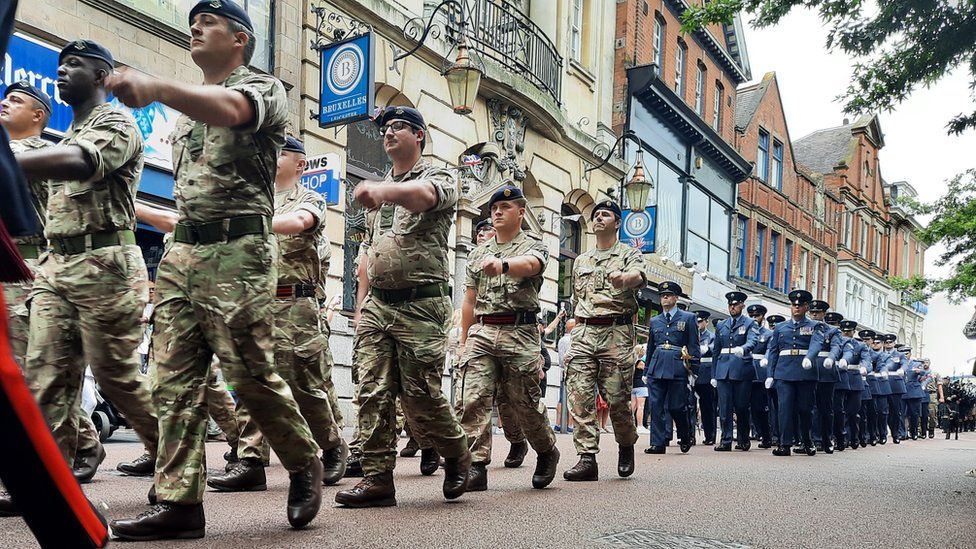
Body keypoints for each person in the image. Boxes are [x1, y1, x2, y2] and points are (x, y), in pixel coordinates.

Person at [108, 2, 324, 537]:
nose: (196, 29)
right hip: (183, 254)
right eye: (192, 24)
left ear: (240, 38)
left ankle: (304, 460)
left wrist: (156, 86)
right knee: (174, 382)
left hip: (241, 253)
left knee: (249, 374)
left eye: (209, 23)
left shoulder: (266, 88)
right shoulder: (184, 120)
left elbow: (232, 110)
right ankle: (180, 503)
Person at [7, 40, 161, 514]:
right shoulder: (61, 137)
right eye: (60, 64)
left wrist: (5, 165)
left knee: (116, 379)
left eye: (75, 64)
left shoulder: (116, 122)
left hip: (108, 265)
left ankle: (177, 458)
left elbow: (82, 162)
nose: (62, 70)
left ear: (101, 76)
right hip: (55, 269)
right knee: (46, 378)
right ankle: (48, 489)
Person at [332, 105, 471, 507]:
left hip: (421, 305)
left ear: (419, 136)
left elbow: (426, 197)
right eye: (386, 128)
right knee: (372, 390)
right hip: (378, 305)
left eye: (399, 127)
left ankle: (457, 451)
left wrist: (384, 190)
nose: (388, 133)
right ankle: (378, 479)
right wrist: (360, 309)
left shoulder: (438, 175)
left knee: (419, 396)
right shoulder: (382, 189)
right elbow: (368, 258)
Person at [206, 136, 349, 492]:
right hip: (255, 303)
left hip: (295, 305)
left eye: (279, 152)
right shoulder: (254, 198)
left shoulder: (308, 198)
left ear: (299, 165)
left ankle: (331, 447)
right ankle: (250, 460)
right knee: (250, 380)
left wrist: (261, 223)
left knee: (303, 386)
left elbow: (303, 220)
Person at [457, 185, 559, 491]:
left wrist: (503, 266)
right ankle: (475, 464)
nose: (498, 212)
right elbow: (469, 301)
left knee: (523, 404)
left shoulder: (534, 245)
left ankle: (546, 450)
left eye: (505, 208)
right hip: (483, 331)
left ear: (521, 212)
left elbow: (533, 265)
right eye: (494, 209)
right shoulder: (478, 253)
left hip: (520, 332)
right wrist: (463, 342)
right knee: (472, 399)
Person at [561, 200, 645, 482]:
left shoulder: (628, 254)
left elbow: (638, 276)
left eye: (605, 214)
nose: (599, 218)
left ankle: (625, 444)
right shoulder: (581, 260)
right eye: (595, 215)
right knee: (580, 397)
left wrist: (625, 279)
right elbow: (578, 300)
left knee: (618, 399)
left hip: (616, 334)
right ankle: (587, 459)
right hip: (584, 333)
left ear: (617, 223)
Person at [644, 282, 700, 454]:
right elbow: (651, 346)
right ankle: (657, 443)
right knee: (656, 405)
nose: (664, 298)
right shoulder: (655, 320)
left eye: (668, 295)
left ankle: (685, 434)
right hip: (657, 365)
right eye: (662, 295)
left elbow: (693, 345)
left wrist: (694, 371)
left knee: (677, 406)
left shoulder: (688, 318)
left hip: (678, 367)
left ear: (676, 298)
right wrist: (647, 370)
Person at [766, 290, 823, 457]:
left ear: (806, 307)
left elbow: (816, 344)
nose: (796, 308)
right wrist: (770, 374)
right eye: (793, 305)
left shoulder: (815, 326)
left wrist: (809, 357)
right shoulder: (780, 327)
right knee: (784, 409)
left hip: (805, 373)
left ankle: (807, 441)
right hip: (784, 372)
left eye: (800, 305)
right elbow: (774, 351)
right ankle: (785, 444)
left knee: (805, 409)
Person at [711, 292, 759, 452]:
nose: (732, 307)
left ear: (742, 306)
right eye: (730, 305)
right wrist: (713, 374)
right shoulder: (721, 325)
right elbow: (716, 351)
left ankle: (743, 439)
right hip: (723, 369)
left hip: (741, 369)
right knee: (724, 407)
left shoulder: (750, 323)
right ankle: (725, 440)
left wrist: (743, 349)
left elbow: (753, 340)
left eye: (736, 304)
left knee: (741, 407)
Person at [808, 302, 842, 453]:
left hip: (826, 371)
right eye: (812, 312)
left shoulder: (832, 330)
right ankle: (812, 440)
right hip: (808, 370)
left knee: (826, 409)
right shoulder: (805, 328)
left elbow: (836, 346)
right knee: (809, 408)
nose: (814, 315)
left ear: (824, 314)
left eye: (818, 312)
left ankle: (826, 439)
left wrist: (831, 357)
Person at [746, 305, 773, 449]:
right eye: (751, 316)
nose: (753, 319)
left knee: (759, 408)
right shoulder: (744, 331)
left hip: (759, 374)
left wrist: (766, 360)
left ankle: (766, 436)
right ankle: (744, 438)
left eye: (756, 316)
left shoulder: (768, 334)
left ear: (762, 317)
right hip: (744, 372)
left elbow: (770, 349)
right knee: (742, 407)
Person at [840, 327, 872, 450]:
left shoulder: (860, 345)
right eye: (844, 331)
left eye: (849, 331)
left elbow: (866, 359)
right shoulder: (837, 342)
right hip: (841, 378)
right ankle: (842, 438)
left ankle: (854, 437)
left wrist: (864, 367)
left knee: (853, 412)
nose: (846, 333)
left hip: (854, 379)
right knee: (840, 411)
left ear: (854, 332)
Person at [693, 310, 716, 445]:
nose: (698, 324)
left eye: (700, 321)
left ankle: (710, 435)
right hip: (692, 373)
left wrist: (706, 348)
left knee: (707, 406)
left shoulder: (711, 336)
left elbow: (714, 349)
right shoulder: (691, 335)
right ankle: (689, 436)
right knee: (689, 406)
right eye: (696, 321)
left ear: (706, 322)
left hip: (706, 374)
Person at [883, 335, 908, 443]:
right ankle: (882, 434)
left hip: (895, 385)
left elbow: (905, 364)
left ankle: (896, 434)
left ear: (894, 343)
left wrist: (902, 370)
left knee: (895, 412)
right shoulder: (880, 354)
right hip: (882, 384)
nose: (888, 344)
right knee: (882, 411)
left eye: (890, 342)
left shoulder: (900, 354)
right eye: (886, 342)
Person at [765, 314, 785, 444]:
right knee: (772, 407)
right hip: (772, 374)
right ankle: (774, 434)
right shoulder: (769, 337)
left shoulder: (783, 336)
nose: (773, 328)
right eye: (771, 325)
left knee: (783, 406)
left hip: (783, 373)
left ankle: (784, 435)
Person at [555, 316, 576, 433]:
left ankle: (558, 424)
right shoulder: (572, 340)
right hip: (571, 372)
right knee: (572, 399)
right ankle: (570, 425)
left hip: (563, 371)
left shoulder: (562, 339)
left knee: (562, 399)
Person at [869, 334, 891, 444]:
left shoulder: (886, 356)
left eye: (877, 342)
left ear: (882, 343)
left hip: (882, 384)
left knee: (882, 411)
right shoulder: (867, 353)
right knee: (872, 412)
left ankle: (882, 434)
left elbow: (886, 366)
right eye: (873, 342)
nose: (875, 344)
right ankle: (872, 434)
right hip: (871, 384)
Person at [902, 347, 924, 440]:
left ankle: (914, 432)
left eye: (906, 353)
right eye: (902, 353)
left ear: (910, 354)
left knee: (914, 413)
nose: (904, 355)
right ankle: (902, 433)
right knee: (901, 413)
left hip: (913, 392)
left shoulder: (916, 363)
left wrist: (919, 372)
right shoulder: (897, 364)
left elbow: (923, 372)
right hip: (901, 390)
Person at [631, 345, 648, 434]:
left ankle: (630, 425)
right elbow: (647, 370)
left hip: (634, 385)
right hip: (641, 385)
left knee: (633, 407)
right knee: (640, 406)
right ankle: (640, 425)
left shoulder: (633, 362)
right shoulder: (641, 362)